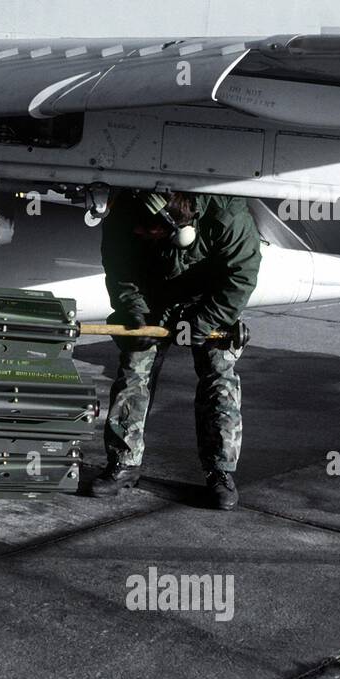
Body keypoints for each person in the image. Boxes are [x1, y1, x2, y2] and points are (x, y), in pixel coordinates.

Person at [90, 190, 261, 510]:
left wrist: (203, 323)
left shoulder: (227, 216)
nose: (141, 234)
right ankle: (124, 464)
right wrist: (134, 311)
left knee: (219, 375)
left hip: (209, 302)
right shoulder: (125, 213)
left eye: (150, 231)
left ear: (181, 228)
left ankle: (220, 471)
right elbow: (119, 267)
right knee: (133, 371)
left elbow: (241, 275)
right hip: (151, 297)